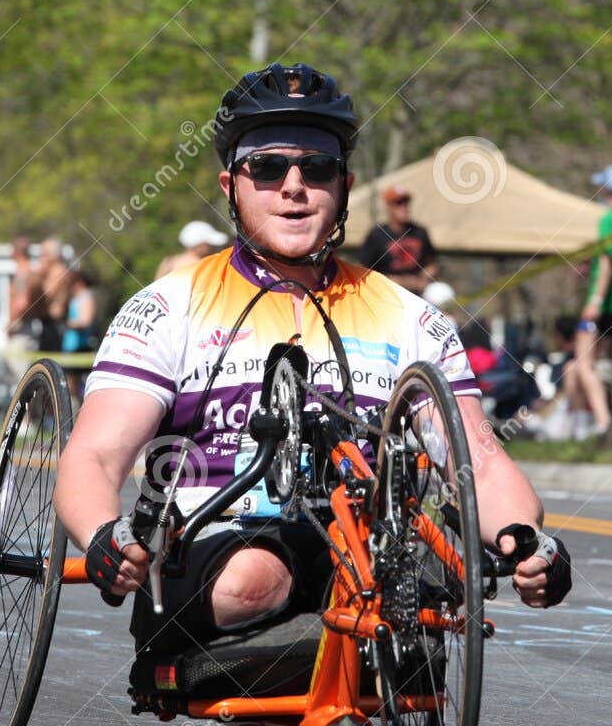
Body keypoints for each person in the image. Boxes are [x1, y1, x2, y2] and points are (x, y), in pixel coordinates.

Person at [53, 62, 571, 689]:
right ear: (231, 186)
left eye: (317, 169)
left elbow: (480, 464)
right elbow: (95, 455)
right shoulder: (169, 306)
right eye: (268, 167)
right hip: (216, 542)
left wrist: (526, 540)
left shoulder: (410, 317)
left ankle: (345, 641)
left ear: (344, 187)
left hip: (364, 547)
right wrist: (103, 534)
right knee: (255, 578)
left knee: (421, 575)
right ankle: (314, 640)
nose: (294, 187)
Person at [569, 164, 612, 439]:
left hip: (606, 303)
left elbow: (608, 263)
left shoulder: (610, 219)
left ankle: (603, 421)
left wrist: (595, 300)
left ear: (608, 189)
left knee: (583, 363)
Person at [358, 184, 437, 294]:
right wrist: (400, 281)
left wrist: (425, 277)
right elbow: (363, 270)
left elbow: (431, 263)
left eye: (406, 202)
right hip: (388, 290)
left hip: (419, 289)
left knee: (442, 293)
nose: (404, 207)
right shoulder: (377, 234)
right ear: (389, 206)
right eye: (398, 203)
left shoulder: (419, 231)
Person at [155, 220, 230, 278]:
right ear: (200, 245)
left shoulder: (168, 262)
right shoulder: (202, 265)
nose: (212, 248)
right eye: (209, 244)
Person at [62, 271, 100, 352]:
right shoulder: (77, 297)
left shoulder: (86, 297)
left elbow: (86, 322)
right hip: (71, 344)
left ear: (79, 283)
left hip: (80, 345)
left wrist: (67, 324)